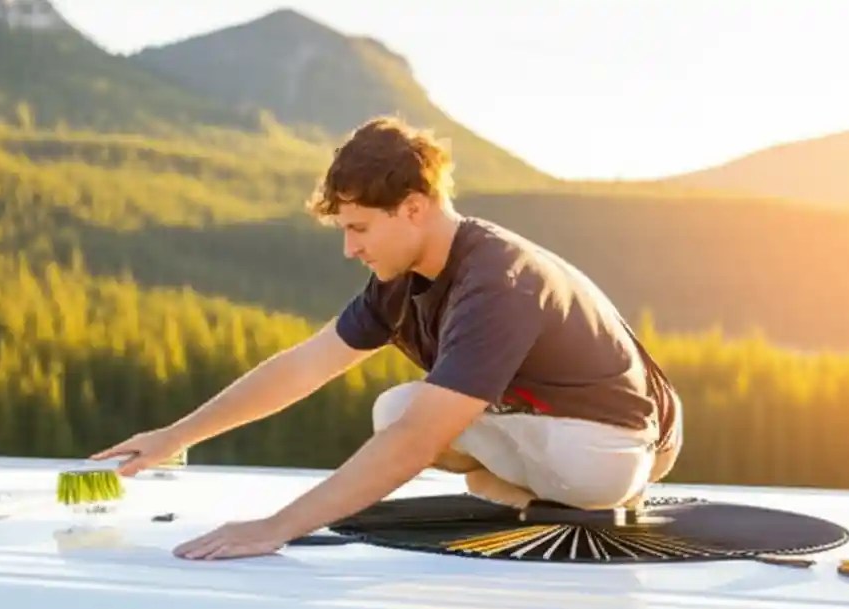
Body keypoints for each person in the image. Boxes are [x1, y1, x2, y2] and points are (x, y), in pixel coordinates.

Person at [92, 116, 683, 561]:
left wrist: (277, 528)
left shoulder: (496, 281)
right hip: (550, 438)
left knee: (413, 421)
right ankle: (536, 496)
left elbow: (416, 442)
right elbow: (303, 367)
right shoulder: (401, 280)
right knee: (398, 408)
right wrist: (175, 435)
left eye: (359, 228)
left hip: (614, 447)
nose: (350, 248)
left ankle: (572, 500)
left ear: (414, 208)